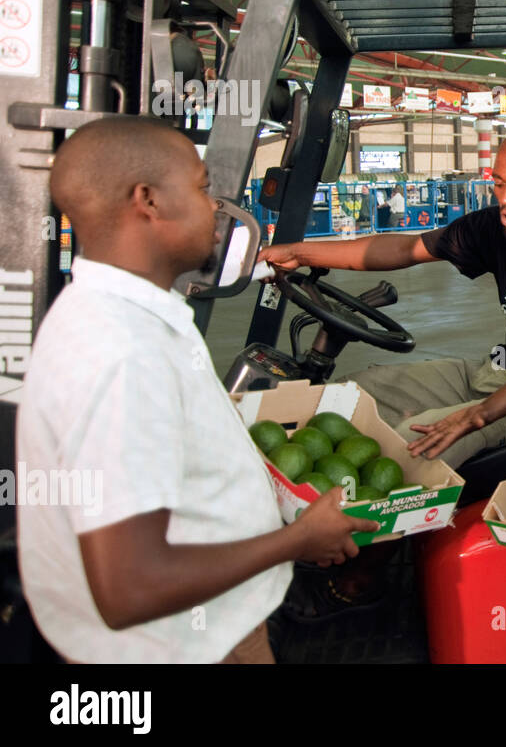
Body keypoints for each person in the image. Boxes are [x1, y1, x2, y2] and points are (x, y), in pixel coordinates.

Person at [17, 117, 374, 663]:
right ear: (149, 201)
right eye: (204, 188)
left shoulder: (130, 319)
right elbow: (129, 588)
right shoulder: (119, 350)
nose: (216, 207)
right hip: (188, 645)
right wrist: (298, 541)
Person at [260, 124, 506, 470]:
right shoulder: (496, 226)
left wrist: (476, 416)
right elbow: (406, 250)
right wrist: (300, 253)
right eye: (499, 183)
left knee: (413, 444)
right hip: (499, 373)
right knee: (347, 397)